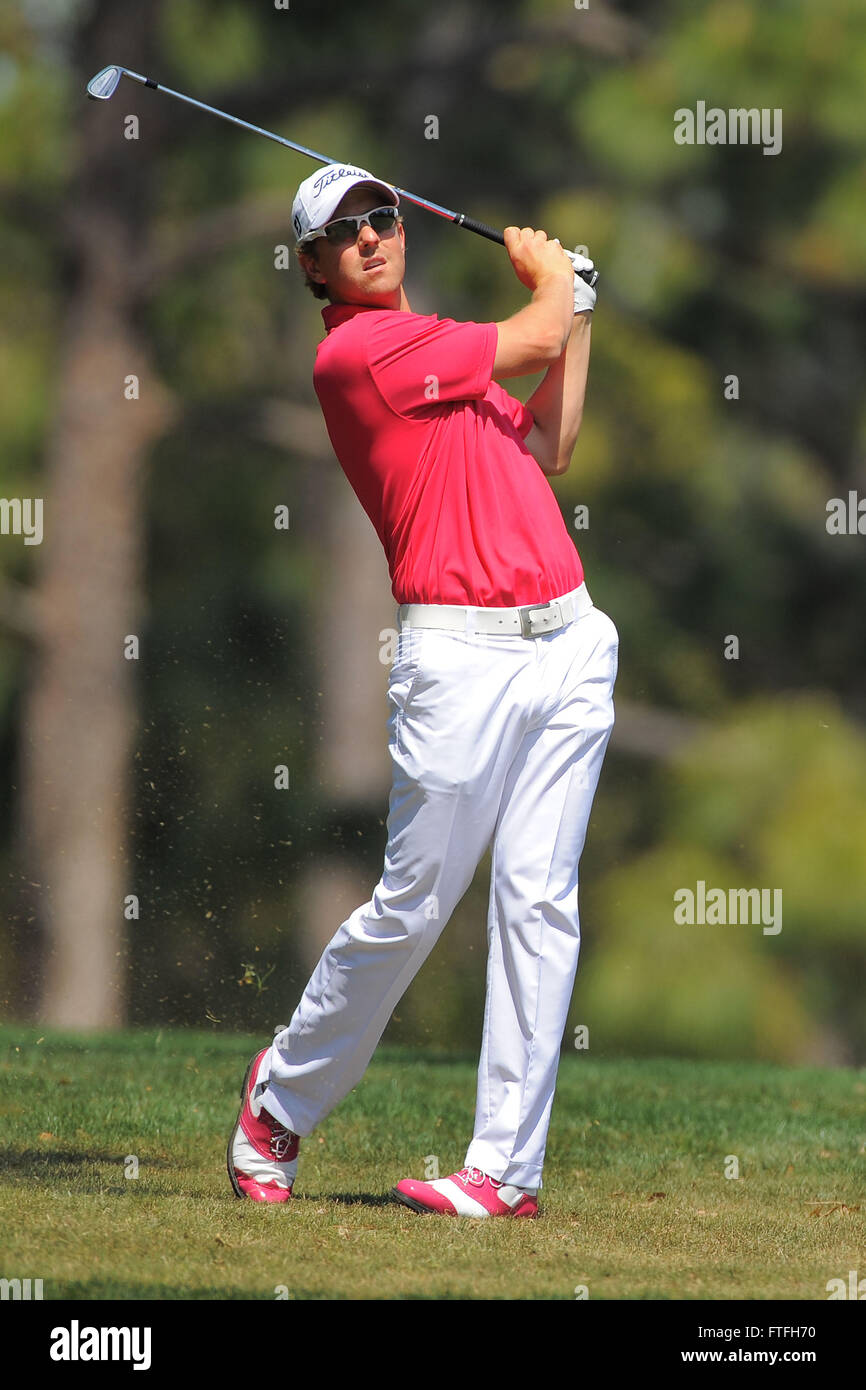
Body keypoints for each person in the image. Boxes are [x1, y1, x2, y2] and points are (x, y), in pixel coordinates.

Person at [227, 163, 618, 1218]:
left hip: (569, 639)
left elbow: (548, 441)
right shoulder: (358, 354)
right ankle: (279, 1096)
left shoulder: (444, 346)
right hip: (461, 657)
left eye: (380, 214)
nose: (368, 235)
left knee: (540, 903)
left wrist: (573, 313)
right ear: (312, 265)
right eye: (341, 230)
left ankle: (503, 1172)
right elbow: (528, 336)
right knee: (414, 906)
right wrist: (552, 284)